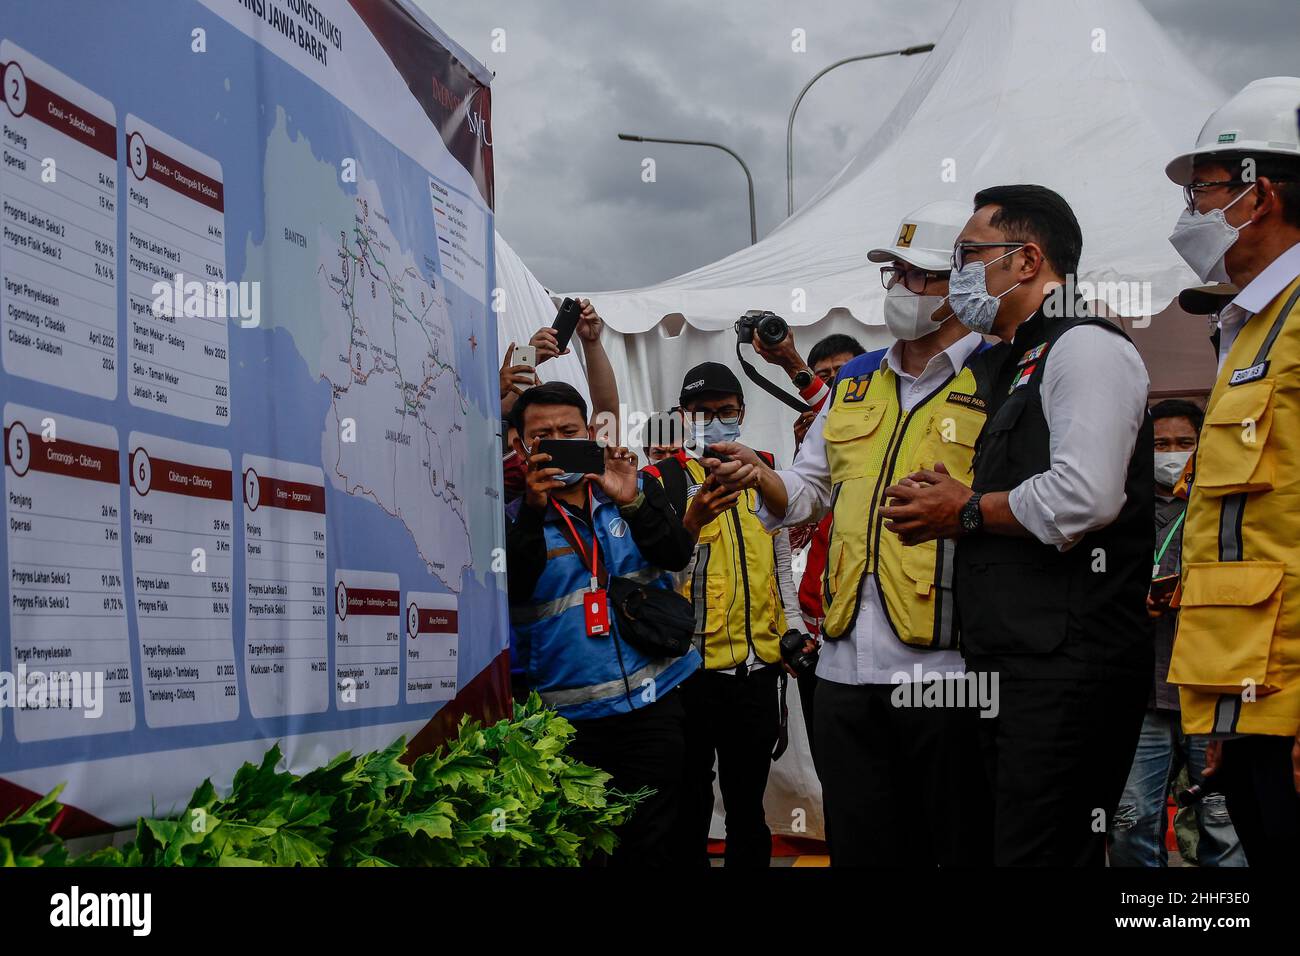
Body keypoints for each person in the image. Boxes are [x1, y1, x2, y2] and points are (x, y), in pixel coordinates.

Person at [707, 200, 994, 866]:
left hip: (946, 666)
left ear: (960, 285)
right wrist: (760, 476)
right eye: (893, 272)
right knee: (862, 846)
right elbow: (807, 494)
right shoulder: (856, 380)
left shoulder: (1003, 374)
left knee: (952, 845)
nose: (899, 288)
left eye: (916, 275)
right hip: (843, 666)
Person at [874, 185, 1155, 866]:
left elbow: (1084, 497)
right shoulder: (1019, 357)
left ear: (1026, 260)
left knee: (1042, 852)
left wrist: (966, 510)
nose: (958, 272)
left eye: (969, 254)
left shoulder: (1084, 347)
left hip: (1070, 666)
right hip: (1012, 660)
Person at [1163, 76, 1300, 866]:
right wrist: (1223, 722)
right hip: (1251, 709)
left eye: (1204, 190)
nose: (1194, 212)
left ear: (1261, 194)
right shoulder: (1248, 327)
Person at [505, 382, 701, 866]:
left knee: (657, 841)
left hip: (654, 704)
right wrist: (532, 513)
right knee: (586, 848)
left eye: (569, 430)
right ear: (520, 447)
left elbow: (675, 552)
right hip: (567, 721)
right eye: (543, 436)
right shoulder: (509, 517)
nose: (558, 441)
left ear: (591, 431)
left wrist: (632, 500)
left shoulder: (632, 488)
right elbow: (515, 588)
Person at [646, 362, 802, 867]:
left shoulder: (765, 470)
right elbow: (659, 575)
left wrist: (794, 629)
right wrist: (695, 517)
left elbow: (780, 566)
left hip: (758, 669)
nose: (715, 421)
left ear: (742, 412)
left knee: (747, 807)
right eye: (702, 412)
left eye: (726, 411)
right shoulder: (663, 479)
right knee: (688, 801)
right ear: (682, 416)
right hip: (690, 673)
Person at [1108, 399, 1245, 867]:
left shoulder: (1228, 504)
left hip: (1214, 691)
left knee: (1222, 825)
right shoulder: (1118, 508)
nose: (1172, 453)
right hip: (1144, 691)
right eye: (1160, 444)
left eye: (1184, 443)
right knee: (1130, 825)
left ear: (1204, 444)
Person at [750, 331, 864, 766]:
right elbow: (793, 538)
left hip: (875, 640)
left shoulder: (876, 426)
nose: (837, 387)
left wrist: (789, 362)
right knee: (834, 777)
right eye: (825, 377)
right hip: (818, 641)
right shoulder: (809, 454)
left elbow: (851, 414)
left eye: (843, 376)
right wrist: (805, 455)